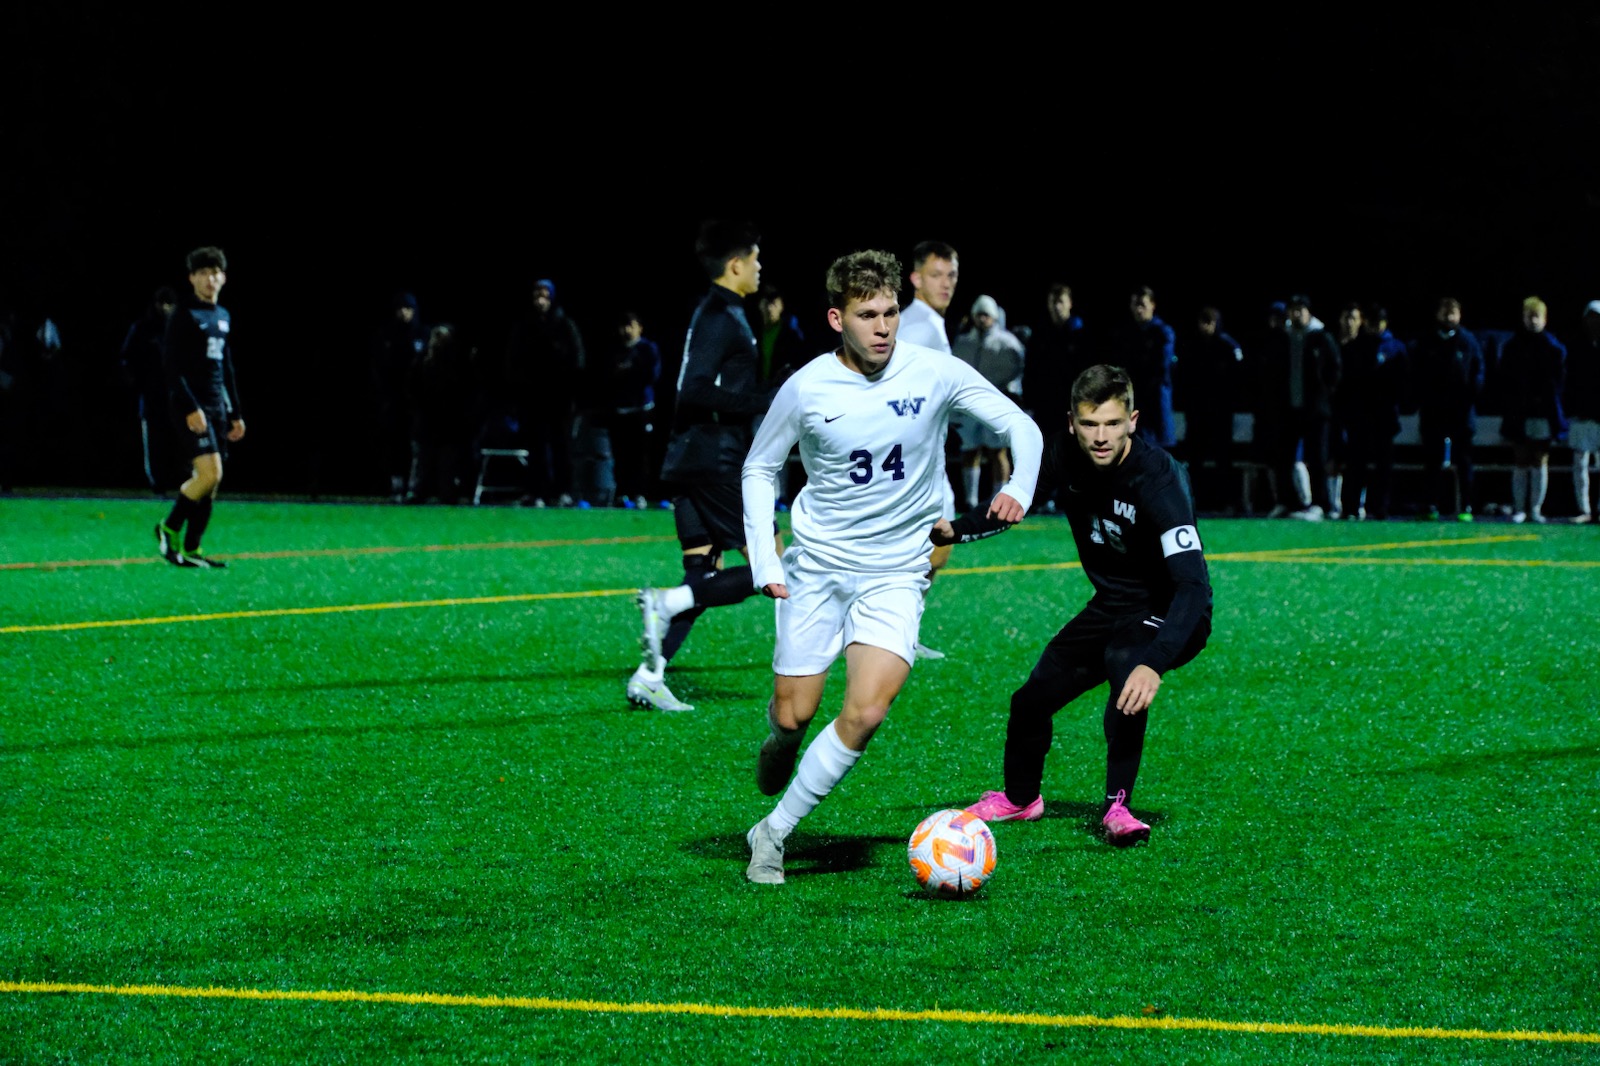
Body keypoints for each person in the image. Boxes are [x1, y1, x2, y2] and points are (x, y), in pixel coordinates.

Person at [739, 248, 1043, 884]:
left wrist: (1021, 483)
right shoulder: (807, 387)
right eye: (867, 315)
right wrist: (765, 555)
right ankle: (781, 739)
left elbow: (1022, 425)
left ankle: (773, 833)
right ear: (835, 319)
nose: (883, 327)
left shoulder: (934, 371)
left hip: (897, 570)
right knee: (795, 712)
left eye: (891, 313)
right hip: (817, 566)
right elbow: (760, 467)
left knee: (867, 711)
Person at [956, 363, 1212, 847]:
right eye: (1090, 424)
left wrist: (1154, 663)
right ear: (1072, 422)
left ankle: (1118, 807)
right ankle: (1020, 798)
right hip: (1112, 606)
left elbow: (1193, 587)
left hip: (1174, 610)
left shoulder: (1159, 479)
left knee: (1124, 663)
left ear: (1133, 420)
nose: (1100, 436)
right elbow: (1017, 505)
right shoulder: (1063, 456)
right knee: (1030, 701)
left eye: (1112, 424)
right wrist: (955, 530)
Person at [630, 220, 777, 713]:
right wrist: (766, 397)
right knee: (773, 568)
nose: (759, 268)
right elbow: (692, 388)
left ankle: (649, 675)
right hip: (715, 460)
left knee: (701, 571)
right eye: (755, 259)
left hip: (693, 457)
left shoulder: (718, 311)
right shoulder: (721, 315)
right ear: (735, 265)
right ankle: (664, 604)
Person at [153, 246, 244, 568]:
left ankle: (192, 549)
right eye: (203, 273)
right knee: (209, 474)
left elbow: (226, 367)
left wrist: (234, 413)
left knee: (212, 483)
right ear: (192, 278)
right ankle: (168, 528)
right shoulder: (183, 313)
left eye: (215, 272)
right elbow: (170, 366)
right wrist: (191, 406)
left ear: (224, 277)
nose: (210, 278)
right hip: (190, 405)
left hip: (217, 407)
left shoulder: (222, 316)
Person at [895, 240, 961, 660]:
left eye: (952, 275)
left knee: (932, 545)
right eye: (936, 275)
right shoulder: (920, 326)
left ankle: (903, 632)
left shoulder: (926, 323)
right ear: (916, 279)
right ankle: (894, 631)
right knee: (936, 542)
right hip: (918, 461)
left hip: (926, 458)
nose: (946, 284)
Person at [1257, 294, 1341, 519]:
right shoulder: (1282, 338)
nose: (1295, 314)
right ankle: (1287, 502)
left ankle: (1320, 504)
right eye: (1292, 310)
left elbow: (1334, 371)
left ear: (1309, 312)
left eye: (1300, 310)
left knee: (1317, 458)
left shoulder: (1322, 338)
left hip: (1315, 411)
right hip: (1288, 410)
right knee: (1283, 458)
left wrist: (1323, 395)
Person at [505, 278, 585, 507]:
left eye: (545, 296)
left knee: (561, 446)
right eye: (537, 295)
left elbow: (577, 361)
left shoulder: (564, 325)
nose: (540, 301)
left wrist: (570, 393)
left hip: (558, 399)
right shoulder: (524, 326)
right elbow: (513, 361)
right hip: (532, 398)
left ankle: (563, 491)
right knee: (536, 446)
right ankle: (535, 491)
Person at [1408, 296, 1486, 521]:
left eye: (1453, 313)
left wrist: (1469, 396)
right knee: (1432, 461)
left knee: (1464, 461)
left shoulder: (1468, 342)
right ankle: (1430, 505)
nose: (1449, 317)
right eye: (1445, 313)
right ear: (1438, 315)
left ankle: (1466, 507)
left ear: (1459, 316)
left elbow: (1478, 373)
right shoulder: (1426, 342)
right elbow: (1416, 375)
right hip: (1433, 413)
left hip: (1461, 413)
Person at [952, 293, 1027, 510]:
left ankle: (998, 499)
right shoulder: (963, 342)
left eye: (986, 315)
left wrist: (1013, 393)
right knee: (970, 450)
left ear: (994, 317)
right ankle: (971, 501)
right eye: (979, 314)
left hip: (997, 402)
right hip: (970, 404)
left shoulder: (1008, 343)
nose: (982, 319)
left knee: (998, 451)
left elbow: (1019, 372)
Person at [1497, 296, 1567, 523]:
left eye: (1537, 316)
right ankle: (1519, 508)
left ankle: (1536, 509)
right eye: (1529, 316)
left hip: (1543, 412)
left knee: (1540, 458)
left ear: (1545, 319)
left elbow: (1559, 381)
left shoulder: (1554, 348)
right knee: (1520, 458)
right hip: (1519, 410)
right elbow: (1505, 378)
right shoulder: (1513, 346)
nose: (1533, 321)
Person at [1335, 304, 1408, 520]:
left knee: (1383, 466)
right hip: (1359, 415)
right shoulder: (1354, 347)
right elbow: (1345, 382)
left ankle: (1380, 507)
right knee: (1356, 463)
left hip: (1384, 416)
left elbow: (1403, 381)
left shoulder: (1395, 348)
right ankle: (1350, 507)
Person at [1174, 306, 1244, 514]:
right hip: (1197, 412)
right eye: (1202, 322)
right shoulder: (1192, 347)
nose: (1205, 327)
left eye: (1209, 322)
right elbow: (1184, 377)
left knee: (1224, 458)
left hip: (1221, 413)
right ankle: (1196, 501)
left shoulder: (1227, 346)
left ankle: (1229, 502)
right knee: (1195, 459)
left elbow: (1238, 378)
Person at [403, 323, 473, 504]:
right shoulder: (422, 362)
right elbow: (412, 388)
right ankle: (418, 491)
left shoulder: (457, 364)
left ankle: (447, 492)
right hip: (427, 420)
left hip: (449, 421)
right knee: (423, 460)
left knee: (447, 461)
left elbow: (464, 391)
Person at [118, 285, 179, 494]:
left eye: (170, 304)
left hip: (178, 396)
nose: (165, 308)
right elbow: (127, 357)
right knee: (153, 442)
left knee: (178, 440)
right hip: (151, 396)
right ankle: (157, 483)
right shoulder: (142, 328)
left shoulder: (180, 329)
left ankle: (182, 482)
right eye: (162, 304)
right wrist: (137, 383)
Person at [603, 311, 662, 510]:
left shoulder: (648, 349)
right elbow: (608, 377)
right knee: (620, 455)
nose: (627, 330)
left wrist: (629, 373)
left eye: (631, 325)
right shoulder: (615, 350)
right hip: (620, 410)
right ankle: (622, 493)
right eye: (623, 326)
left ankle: (640, 494)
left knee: (640, 455)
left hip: (641, 409)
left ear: (640, 328)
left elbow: (651, 375)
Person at [1106, 285, 1177, 449]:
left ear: (1152, 305)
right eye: (1135, 304)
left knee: (1159, 445)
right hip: (1133, 397)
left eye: (1142, 304)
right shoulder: (1126, 332)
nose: (1138, 309)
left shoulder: (1162, 332)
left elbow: (1162, 365)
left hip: (1155, 398)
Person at [373, 291, 427, 502]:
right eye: (400, 309)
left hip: (416, 402)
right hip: (394, 401)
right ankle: (396, 484)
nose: (404, 313)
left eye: (408, 309)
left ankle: (415, 486)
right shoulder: (386, 335)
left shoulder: (422, 334)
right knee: (394, 444)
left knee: (416, 445)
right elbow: (379, 368)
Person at [1566, 301, 1600, 523]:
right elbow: (1569, 382)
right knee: (1580, 464)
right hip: (1582, 416)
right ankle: (1585, 509)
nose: (1594, 322)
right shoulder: (1576, 347)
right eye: (1591, 317)